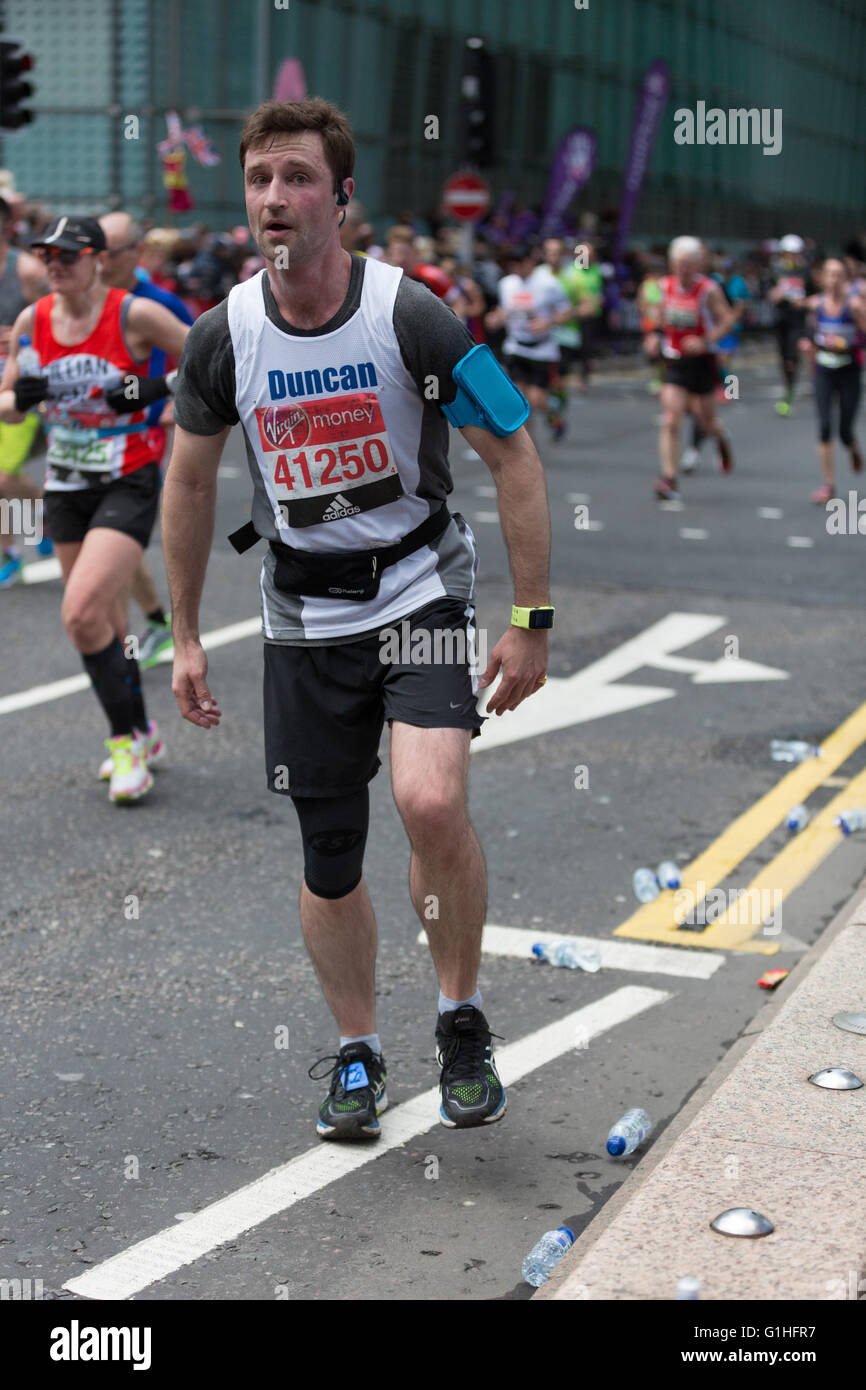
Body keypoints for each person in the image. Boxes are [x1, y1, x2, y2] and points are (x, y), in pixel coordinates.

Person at [162, 97, 552, 1140]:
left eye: (295, 178)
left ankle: (459, 1019)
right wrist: (187, 633)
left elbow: (511, 451)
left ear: (342, 197)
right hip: (300, 616)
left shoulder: (409, 315)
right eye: (258, 179)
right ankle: (358, 1051)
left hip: (418, 586)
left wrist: (533, 618)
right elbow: (190, 486)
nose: (274, 198)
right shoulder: (224, 335)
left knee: (429, 804)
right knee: (329, 848)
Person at [0, 215, 189, 800]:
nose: (55, 265)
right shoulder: (34, 321)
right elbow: (7, 407)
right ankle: (143, 733)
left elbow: (217, 359)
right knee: (107, 623)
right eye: (46, 255)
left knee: (80, 613)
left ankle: (123, 743)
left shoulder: (133, 314)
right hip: (65, 486)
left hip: (127, 479)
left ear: (98, 260)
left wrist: (152, 393)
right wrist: (18, 398)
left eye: (68, 256)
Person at [99, 212, 194, 671]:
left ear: (135, 253)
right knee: (109, 536)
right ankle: (153, 622)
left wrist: (175, 400)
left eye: (109, 252)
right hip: (90, 436)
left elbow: (203, 352)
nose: (98, 261)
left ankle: (123, 645)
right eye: (91, 251)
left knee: (112, 536)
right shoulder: (85, 299)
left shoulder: (158, 302)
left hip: (142, 435)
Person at [649, 236, 736, 502]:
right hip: (675, 361)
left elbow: (728, 320)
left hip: (702, 362)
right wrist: (653, 334)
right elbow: (659, 316)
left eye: (687, 264)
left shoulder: (708, 290)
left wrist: (705, 340)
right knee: (671, 418)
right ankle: (669, 479)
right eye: (678, 263)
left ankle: (721, 438)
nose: (682, 269)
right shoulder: (665, 286)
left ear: (697, 264)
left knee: (706, 421)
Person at [0, 195, 49, 586]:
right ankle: (38, 520)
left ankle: (14, 549)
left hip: (20, 388)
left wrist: (19, 336)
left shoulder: (28, 271)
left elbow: (57, 320)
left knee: (1, 476)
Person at [484, 244, 572, 446]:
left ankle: (554, 414)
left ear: (531, 261)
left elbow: (566, 311)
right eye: (513, 266)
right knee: (519, 401)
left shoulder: (549, 283)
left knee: (536, 399)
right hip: (515, 347)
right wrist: (496, 318)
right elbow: (504, 309)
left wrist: (548, 322)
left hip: (542, 349)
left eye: (520, 265)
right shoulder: (506, 283)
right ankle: (530, 448)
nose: (517, 270)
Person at [799, 257, 866, 503]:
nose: (834, 280)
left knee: (845, 430)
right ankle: (828, 485)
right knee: (825, 426)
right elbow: (810, 333)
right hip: (824, 371)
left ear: (846, 279)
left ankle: (853, 446)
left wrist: (847, 344)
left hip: (849, 370)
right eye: (830, 274)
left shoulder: (855, 305)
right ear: (823, 278)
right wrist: (808, 343)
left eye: (839, 275)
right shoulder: (816, 305)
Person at [768, 233, 812, 416]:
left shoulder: (805, 272)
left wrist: (804, 302)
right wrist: (776, 294)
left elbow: (813, 297)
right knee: (783, 358)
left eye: (795, 252)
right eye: (788, 252)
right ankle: (788, 386)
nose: (791, 256)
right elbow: (768, 294)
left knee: (792, 358)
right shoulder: (776, 270)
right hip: (781, 322)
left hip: (798, 322)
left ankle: (789, 394)